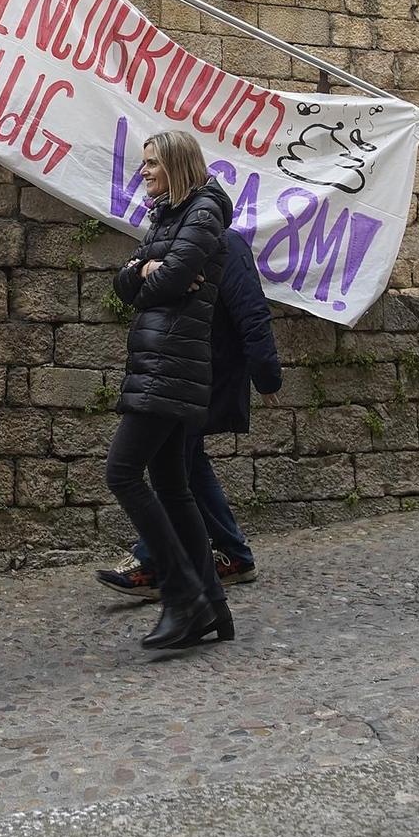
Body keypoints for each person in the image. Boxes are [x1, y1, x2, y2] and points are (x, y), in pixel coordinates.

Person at [97, 226, 282, 601]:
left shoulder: (227, 245)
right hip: (177, 371)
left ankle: (157, 562)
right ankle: (232, 554)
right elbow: (129, 284)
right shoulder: (170, 241)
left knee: (171, 463)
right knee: (187, 462)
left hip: (205, 373)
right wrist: (143, 270)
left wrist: (266, 376)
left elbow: (252, 312)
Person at [105, 130, 235, 651]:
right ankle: (212, 607)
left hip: (170, 365)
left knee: (122, 473)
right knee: (173, 487)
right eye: (144, 164)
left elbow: (170, 282)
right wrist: (144, 269)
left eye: (153, 164)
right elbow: (124, 283)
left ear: (177, 165)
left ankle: (183, 595)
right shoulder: (167, 217)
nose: (144, 172)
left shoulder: (202, 213)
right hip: (162, 364)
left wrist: (150, 279)